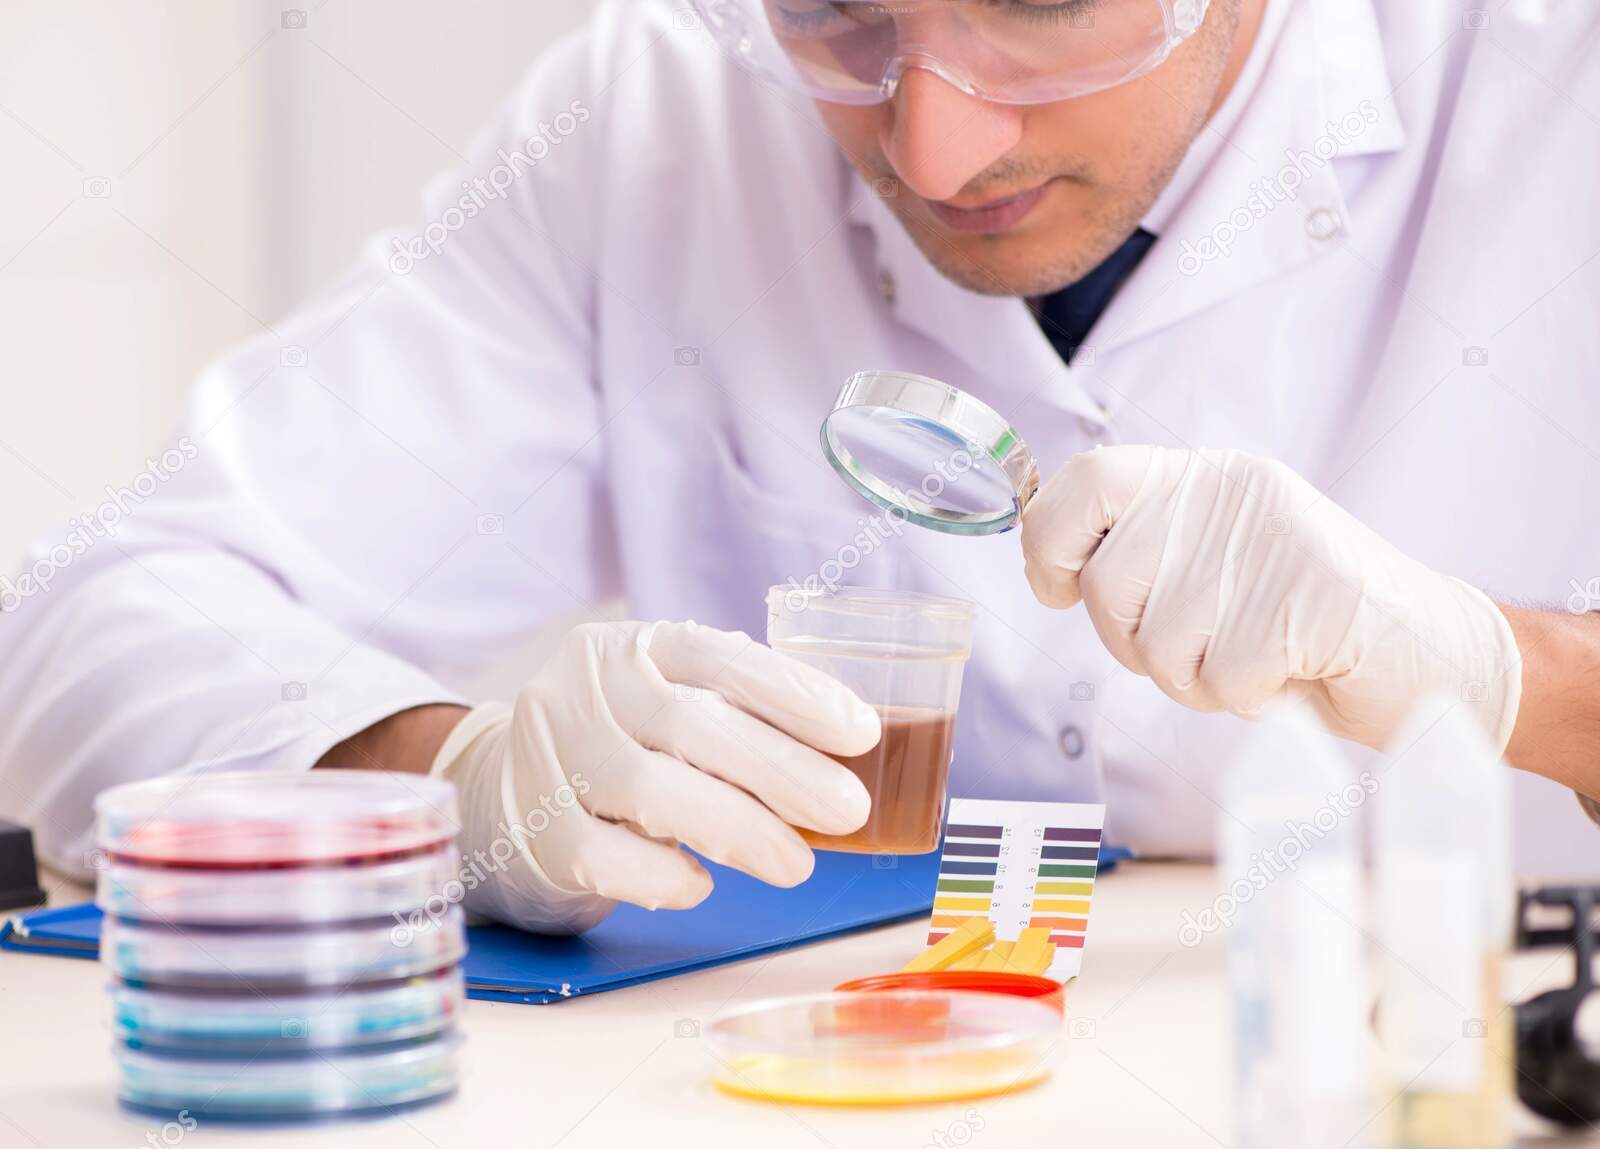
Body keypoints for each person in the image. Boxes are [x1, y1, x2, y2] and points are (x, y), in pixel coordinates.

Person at [3, 0, 1597, 932]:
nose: (935, 150)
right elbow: (89, 612)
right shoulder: (662, 113)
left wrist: (1501, 671)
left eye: (1037, 2)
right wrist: (447, 776)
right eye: (841, 9)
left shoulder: (1555, 87)